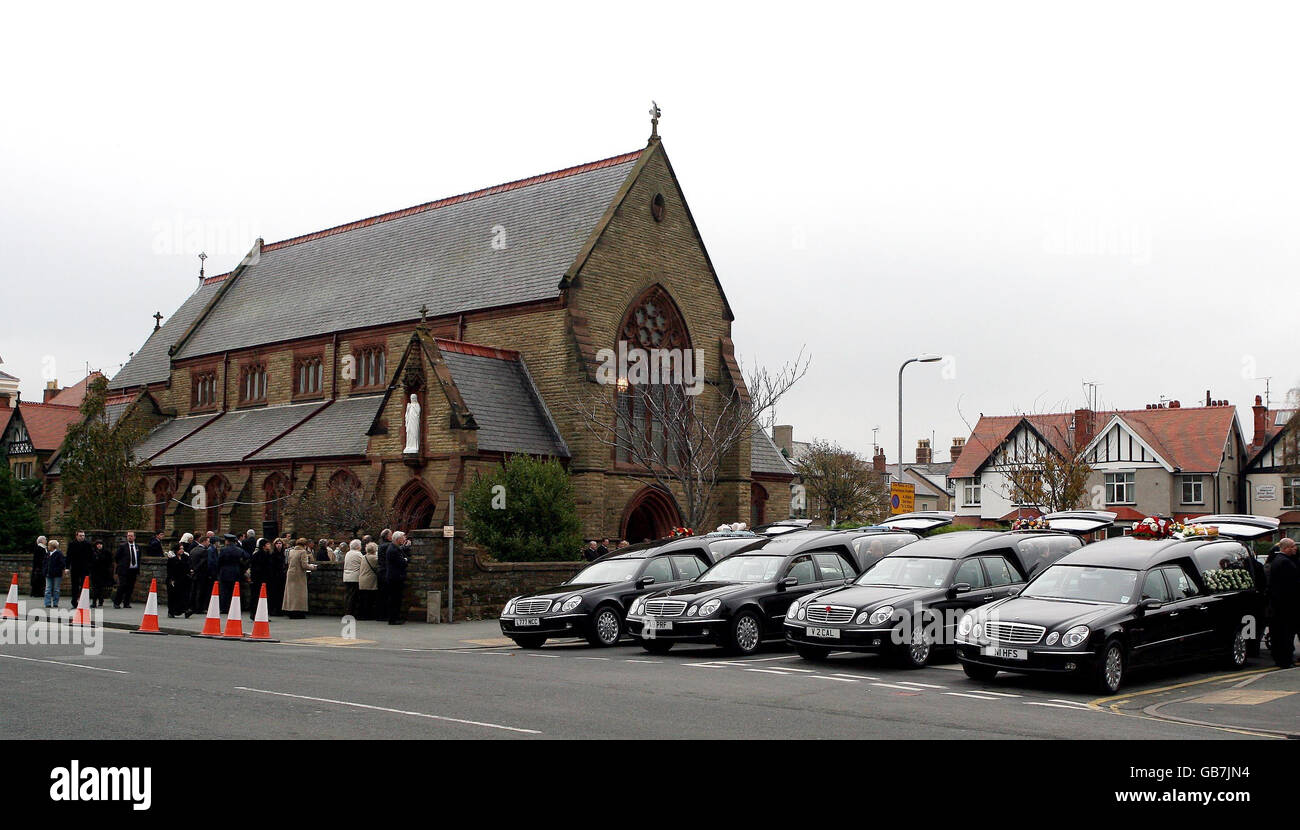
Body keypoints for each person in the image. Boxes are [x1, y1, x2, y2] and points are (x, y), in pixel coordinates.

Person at [1266, 537, 1298, 668]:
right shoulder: (1285, 563)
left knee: (1281, 633)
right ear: (1286, 548)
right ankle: (1285, 660)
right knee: (1286, 634)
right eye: (1292, 546)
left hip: (1279, 605)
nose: (1295, 548)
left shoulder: (1278, 561)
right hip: (1286, 606)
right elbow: (1290, 586)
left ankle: (1283, 659)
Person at [282, 538, 318, 619]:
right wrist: (313, 567)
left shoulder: (291, 551)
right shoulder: (303, 552)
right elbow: (304, 565)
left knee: (290, 593)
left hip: (290, 573)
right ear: (304, 545)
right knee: (299, 594)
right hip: (299, 575)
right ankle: (298, 612)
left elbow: (288, 562)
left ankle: (289, 610)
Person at [216, 534, 248, 614]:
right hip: (236, 572)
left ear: (227, 541)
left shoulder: (223, 550)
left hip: (225, 572)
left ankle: (224, 608)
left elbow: (219, 561)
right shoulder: (239, 550)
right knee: (234, 591)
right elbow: (247, 557)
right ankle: (234, 607)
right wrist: (242, 567)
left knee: (224, 591)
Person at [386, 531, 411, 625]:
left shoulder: (395, 548)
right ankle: (393, 619)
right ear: (398, 539)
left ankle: (395, 617)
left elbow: (404, 558)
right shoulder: (393, 550)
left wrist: (405, 559)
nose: (404, 539)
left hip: (395, 577)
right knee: (395, 598)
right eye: (403, 538)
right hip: (395, 577)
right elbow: (402, 562)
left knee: (396, 598)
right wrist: (405, 560)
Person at [114, 531, 142, 608]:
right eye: (128, 536)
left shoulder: (137, 547)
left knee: (130, 587)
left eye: (131, 536)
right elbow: (117, 557)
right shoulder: (122, 546)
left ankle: (126, 603)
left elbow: (139, 557)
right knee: (122, 585)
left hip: (133, 570)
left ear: (134, 537)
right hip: (124, 570)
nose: (130, 537)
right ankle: (117, 602)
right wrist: (122, 565)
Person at [248, 538, 274, 619]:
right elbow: (255, 568)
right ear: (263, 546)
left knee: (264, 598)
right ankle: (254, 613)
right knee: (257, 597)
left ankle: (262, 614)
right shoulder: (259, 555)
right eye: (268, 544)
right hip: (259, 579)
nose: (269, 546)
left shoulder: (268, 554)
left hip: (264, 579)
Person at [165, 542, 193, 618]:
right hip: (174, 579)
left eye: (182, 549)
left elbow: (188, 566)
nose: (182, 550)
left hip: (183, 579)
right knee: (173, 596)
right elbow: (170, 570)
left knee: (184, 596)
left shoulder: (185, 557)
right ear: (176, 550)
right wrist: (171, 579)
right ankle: (171, 611)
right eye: (180, 549)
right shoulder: (172, 559)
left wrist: (190, 571)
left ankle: (185, 610)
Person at [66, 531, 94, 607]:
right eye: (80, 535)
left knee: (84, 585)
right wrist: (67, 567)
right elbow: (68, 556)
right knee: (74, 585)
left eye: (83, 535)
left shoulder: (87, 544)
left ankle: (83, 601)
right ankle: (74, 601)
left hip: (85, 568)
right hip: (75, 567)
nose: (82, 537)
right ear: (76, 536)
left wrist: (90, 566)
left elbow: (91, 556)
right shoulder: (72, 544)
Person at [358, 541, 380, 620]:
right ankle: (368, 615)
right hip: (370, 580)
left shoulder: (364, 557)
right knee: (369, 599)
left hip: (362, 579)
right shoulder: (374, 558)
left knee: (363, 599)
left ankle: (362, 614)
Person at [342, 539, 362, 618]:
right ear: (358, 546)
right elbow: (363, 563)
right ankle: (351, 612)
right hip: (354, 577)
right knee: (353, 596)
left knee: (348, 595)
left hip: (346, 576)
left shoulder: (348, 553)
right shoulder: (358, 554)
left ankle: (346, 611)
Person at [90, 540, 114, 608]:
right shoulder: (93, 552)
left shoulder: (106, 552)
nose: (99, 545)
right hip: (95, 572)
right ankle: (94, 602)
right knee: (95, 588)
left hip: (103, 572)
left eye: (100, 544)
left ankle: (100, 600)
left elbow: (109, 562)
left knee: (100, 588)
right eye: (98, 544)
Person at [269, 538, 288, 616]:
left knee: (281, 593)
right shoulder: (273, 554)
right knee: (274, 593)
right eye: (277, 543)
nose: (278, 545)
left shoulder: (284, 554)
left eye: (280, 543)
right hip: (274, 576)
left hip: (282, 576)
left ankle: (280, 609)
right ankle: (274, 610)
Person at [43, 540, 65, 608]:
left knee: (56, 589)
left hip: (57, 575)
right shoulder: (47, 554)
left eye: (49, 545)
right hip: (48, 574)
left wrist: (57, 570)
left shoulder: (59, 554)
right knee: (48, 589)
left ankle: (55, 603)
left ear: (53, 546)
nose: (48, 546)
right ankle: (47, 603)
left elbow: (62, 564)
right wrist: (44, 570)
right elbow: (44, 563)